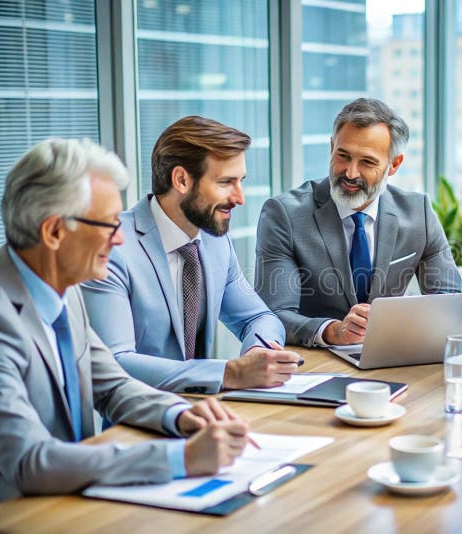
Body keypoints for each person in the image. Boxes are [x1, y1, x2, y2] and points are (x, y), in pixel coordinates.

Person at [0, 138, 252, 503]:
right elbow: (30, 460)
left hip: (79, 502)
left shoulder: (64, 291)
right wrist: (181, 457)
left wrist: (181, 415)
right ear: (54, 232)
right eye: (109, 224)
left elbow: (113, 387)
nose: (120, 238)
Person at [82, 116, 301, 394]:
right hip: (137, 425)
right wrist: (229, 373)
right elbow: (116, 363)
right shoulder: (112, 247)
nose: (239, 197)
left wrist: (258, 351)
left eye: (241, 181)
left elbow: (258, 318)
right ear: (181, 179)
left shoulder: (213, 241)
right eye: (226, 182)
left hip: (211, 414)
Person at [255, 98, 462, 347]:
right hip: (314, 364)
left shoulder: (418, 213)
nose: (351, 173)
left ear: (394, 164)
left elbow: (452, 304)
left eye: (367, 162)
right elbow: (273, 315)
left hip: (391, 358)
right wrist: (332, 330)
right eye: (343, 156)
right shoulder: (285, 215)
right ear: (332, 147)